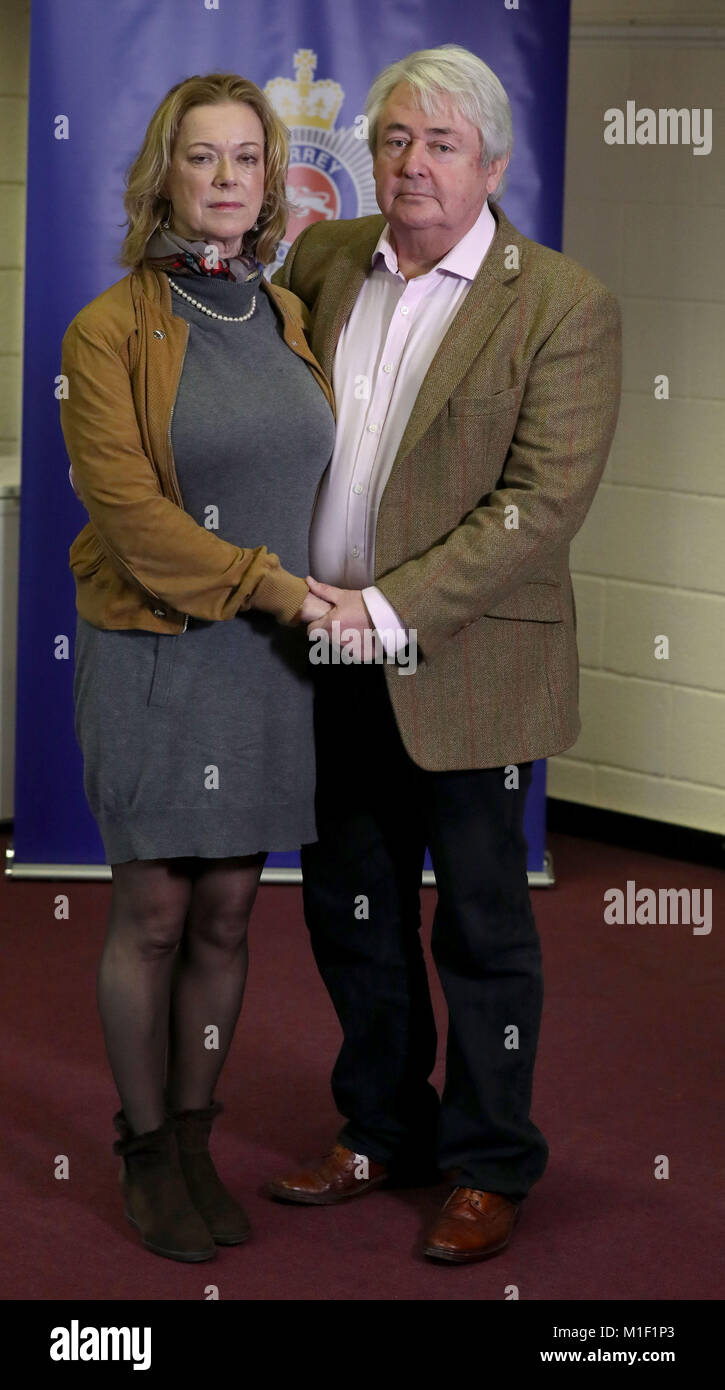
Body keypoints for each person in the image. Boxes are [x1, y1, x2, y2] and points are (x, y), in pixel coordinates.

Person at [265, 44, 622, 1263]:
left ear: (493, 164)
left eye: (441, 144)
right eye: (394, 140)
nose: (411, 165)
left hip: (470, 666)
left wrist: (388, 605)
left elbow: (539, 503)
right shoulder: (321, 259)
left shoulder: (560, 303)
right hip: (324, 661)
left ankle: (485, 1161)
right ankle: (378, 1126)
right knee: (349, 912)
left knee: (480, 929)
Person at [60, 72, 335, 1263]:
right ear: (162, 175)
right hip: (157, 649)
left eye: (246, 160)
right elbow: (133, 522)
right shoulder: (110, 326)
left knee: (230, 910)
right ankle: (140, 1144)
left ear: (272, 180)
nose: (226, 181)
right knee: (158, 909)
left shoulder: (283, 317)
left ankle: (194, 1135)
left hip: (263, 667)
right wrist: (281, 585)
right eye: (201, 159)